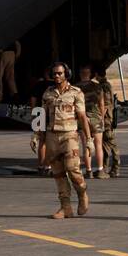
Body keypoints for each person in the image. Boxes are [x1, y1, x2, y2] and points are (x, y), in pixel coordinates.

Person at [40, 62, 92, 219]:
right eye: (54, 73)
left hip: (69, 135)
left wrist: (88, 139)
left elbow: (82, 117)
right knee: (58, 173)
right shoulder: (47, 93)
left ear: (66, 74)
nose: (56, 76)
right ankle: (65, 207)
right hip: (52, 136)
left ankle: (82, 192)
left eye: (60, 73)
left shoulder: (76, 93)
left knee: (72, 169)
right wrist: (37, 136)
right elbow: (42, 116)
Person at [77, 65, 108, 179]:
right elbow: (101, 103)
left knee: (86, 145)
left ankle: (88, 171)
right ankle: (100, 170)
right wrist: (101, 118)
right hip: (95, 118)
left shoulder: (75, 88)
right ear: (90, 74)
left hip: (82, 118)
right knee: (98, 145)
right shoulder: (97, 86)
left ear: (80, 74)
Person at [28, 69, 54, 174]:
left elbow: (33, 100)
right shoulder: (55, 85)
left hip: (39, 112)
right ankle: (48, 166)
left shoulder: (38, 85)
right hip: (52, 115)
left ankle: (40, 165)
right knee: (51, 142)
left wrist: (33, 114)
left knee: (41, 141)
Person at [98, 69, 120, 177]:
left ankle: (115, 168)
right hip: (107, 119)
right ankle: (105, 167)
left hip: (106, 120)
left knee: (111, 144)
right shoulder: (105, 85)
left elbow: (105, 105)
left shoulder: (104, 86)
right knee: (105, 145)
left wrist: (100, 119)